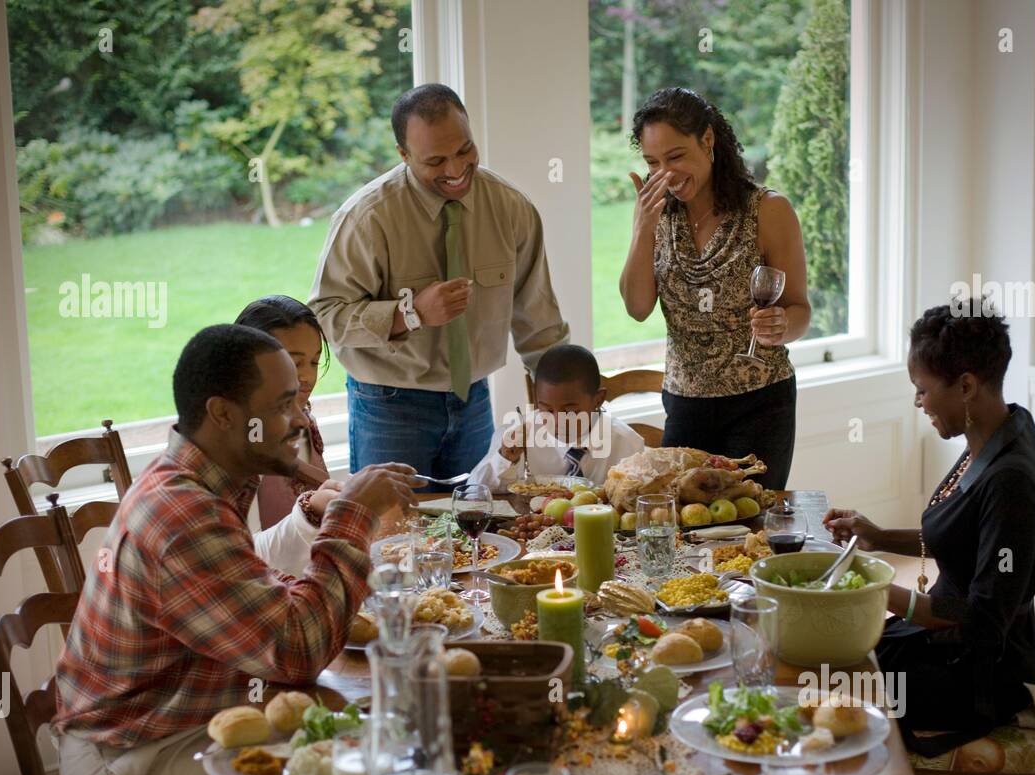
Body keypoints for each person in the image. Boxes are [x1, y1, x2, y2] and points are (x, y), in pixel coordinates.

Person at [52, 324, 422, 775]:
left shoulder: (201, 482)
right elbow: (298, 648)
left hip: (187, 719)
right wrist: (352, 515)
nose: (300, 419)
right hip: (131, 762)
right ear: (224, 414)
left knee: (378, 741)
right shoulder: (183, 514)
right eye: (283, 404)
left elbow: (263, 602)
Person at [309, 83, 570, 489]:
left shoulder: (511, 208)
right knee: (390, 539)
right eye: (435, 161)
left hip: (473, 401)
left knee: (478, 535)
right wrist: (408, 313)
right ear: (404, 155)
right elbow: (325, 317)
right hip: (389, 405)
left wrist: (566, 398)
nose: (455, 170)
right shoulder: (367, 218)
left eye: (464, 150)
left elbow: (538, 319)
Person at [823, 302, 1035, 760]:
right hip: (949, 652)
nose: (918, 403)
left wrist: (875, 587)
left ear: (965, 385)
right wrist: (879, 537)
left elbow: (983, 624)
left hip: (980, 679)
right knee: (836, 652)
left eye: (922, 391)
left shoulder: (1010, 481)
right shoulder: (1002, 430)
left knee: (827, 684)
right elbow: (968, 538)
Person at [619, 87, 811, 490]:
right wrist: (642, 229)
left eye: (675, 157)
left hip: (760, 402)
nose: (665, 174)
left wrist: (781, 324)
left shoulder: (769, 211)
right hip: (685, 403)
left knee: (745, 526)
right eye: (653, 162)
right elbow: (637, 307)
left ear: (707, 141)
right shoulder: (656, 215)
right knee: (680, 526)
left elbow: (799, 310)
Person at [234, 296, 339, 575]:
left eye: (314, 363)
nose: (306, 377)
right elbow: (239, 559)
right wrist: (312, 511)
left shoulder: (303, 421)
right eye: (294, 363)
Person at [468, 344, 645, 489]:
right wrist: (505, 459)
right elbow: (474, 492)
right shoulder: (516, 436)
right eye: (547, 410)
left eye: (569, 411)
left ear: (598, 399)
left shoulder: (627, 444)